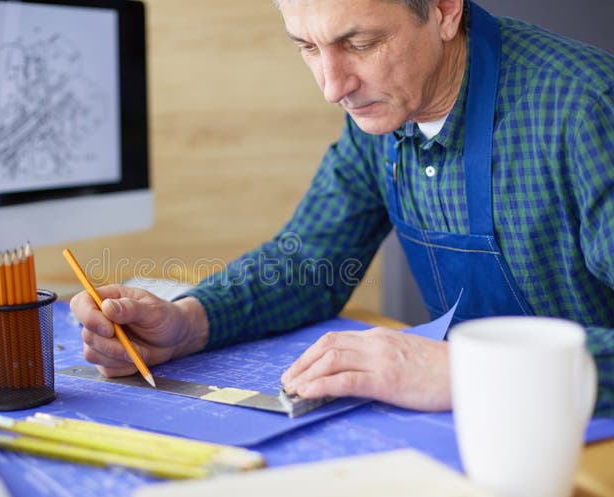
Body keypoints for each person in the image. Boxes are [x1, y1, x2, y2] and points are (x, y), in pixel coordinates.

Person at [71, 0, 614, 416]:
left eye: (359, 42)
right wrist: (189, 323)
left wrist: (473, 372)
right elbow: (310, 260)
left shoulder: (588, 111)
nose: (333, 87)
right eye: (307, 47)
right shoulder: (383, 111)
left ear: (446, 9)